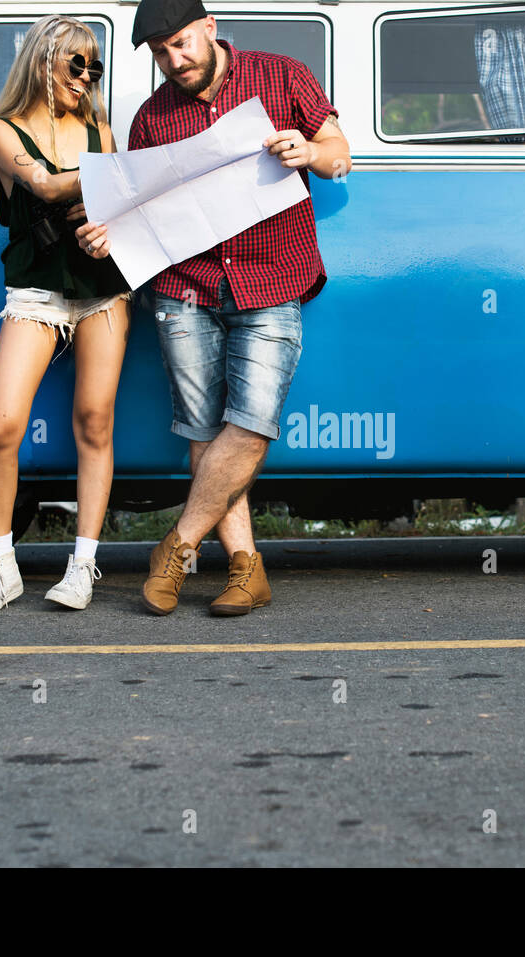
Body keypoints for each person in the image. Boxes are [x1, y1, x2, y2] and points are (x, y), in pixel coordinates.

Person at [76, 0, 350, 617]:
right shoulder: (150, 118)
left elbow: (340, 153)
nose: (175, 60)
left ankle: (176, 545)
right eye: (161, 53)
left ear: (210, 29)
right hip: (184, 287)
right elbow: (134, 215)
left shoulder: (281, 74)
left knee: (251, 423)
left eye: (182, 43)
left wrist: (311, 153)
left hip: (270, 280)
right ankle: (246, 569)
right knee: (203, 430)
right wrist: (104, 235)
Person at [0, 14, 132, 613]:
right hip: (35, 291)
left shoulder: (101, 134)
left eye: (95, 66)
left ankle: (83, 565)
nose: (86, 77)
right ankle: (1, 565)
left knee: (93, 420)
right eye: (75, 64)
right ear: (42, 62)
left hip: (100, 292)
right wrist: (112, 180)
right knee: (3, 425)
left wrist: (107, 231)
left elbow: (118, 217)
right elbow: (44, 187)